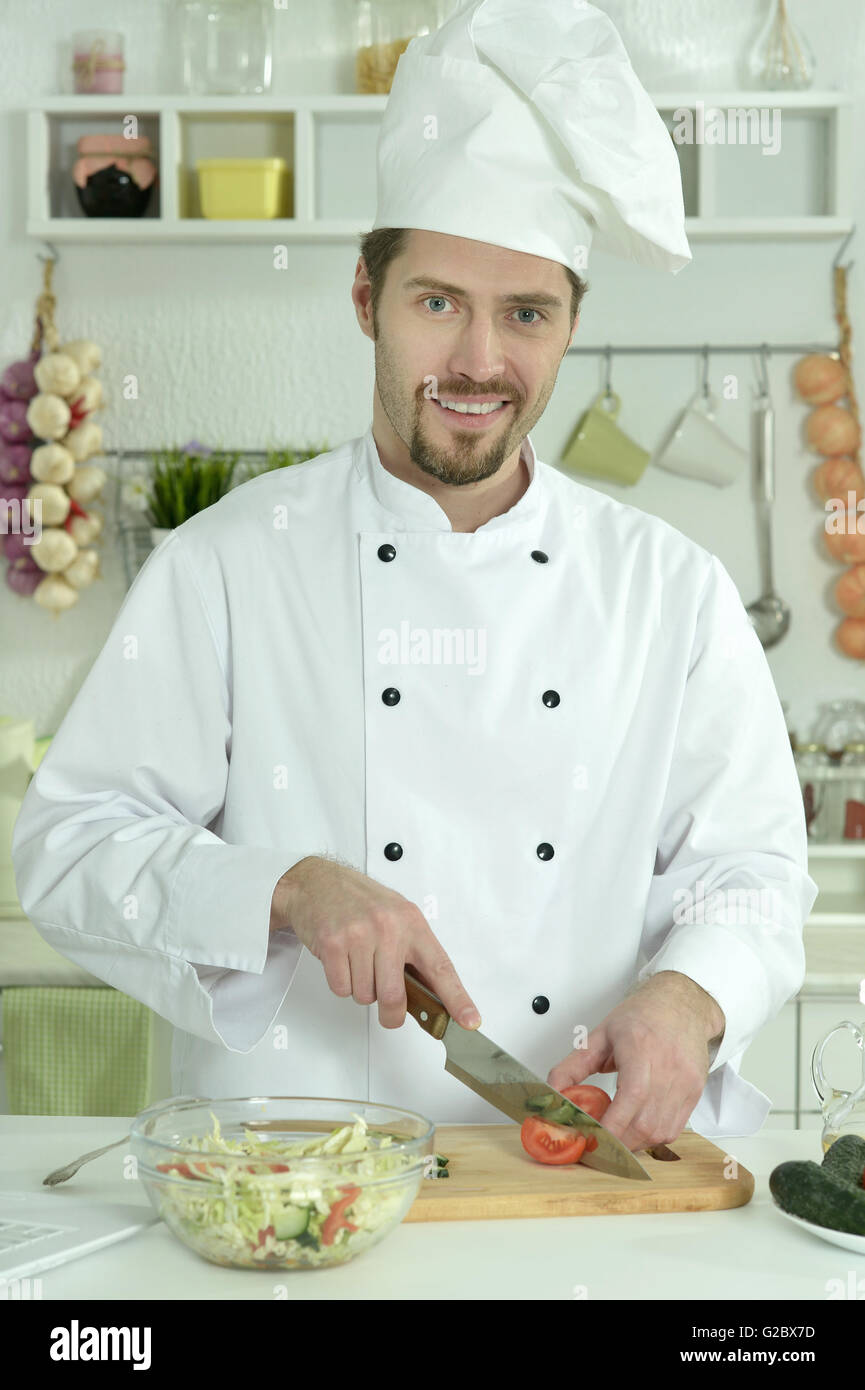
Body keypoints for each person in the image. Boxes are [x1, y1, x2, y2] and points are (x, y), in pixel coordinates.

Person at [12, 0, 817, 1148]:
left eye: (524, 314)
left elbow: (754, 874)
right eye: (437, 303)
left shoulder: (671, 594)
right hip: (284, 1184)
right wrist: (283, 886)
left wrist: (693, 996)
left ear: (569, 325)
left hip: (573, 1179)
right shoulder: (225, 568)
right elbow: (69, 845)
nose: (481, 362)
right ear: (363, 301)